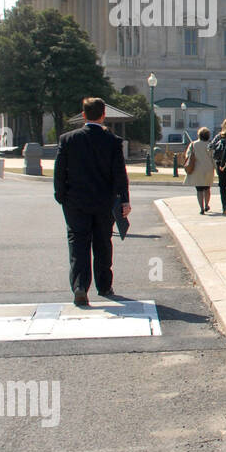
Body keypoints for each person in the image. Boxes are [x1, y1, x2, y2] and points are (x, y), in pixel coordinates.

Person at [53, 97, 131, 307]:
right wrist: (124, 200)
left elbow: (59, 171)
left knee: (77, 243)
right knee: (103, 242)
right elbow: (119, 174)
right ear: (103, 114)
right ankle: (104, 285)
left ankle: (80, 286)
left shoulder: (68, 139)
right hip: (104, 201)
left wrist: (60, 195)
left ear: (84, 115)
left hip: (75, 201)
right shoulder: (113, 141)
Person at [183, 126, 216, 214]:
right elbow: (213, 158)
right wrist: (217, 168)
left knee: (199, 190)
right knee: (207, 188)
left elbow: (188, 156)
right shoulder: (210, 145)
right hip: (208, 169)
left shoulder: (193, 144)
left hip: (197, 169)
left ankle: (201, 208)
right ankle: (206, 205)